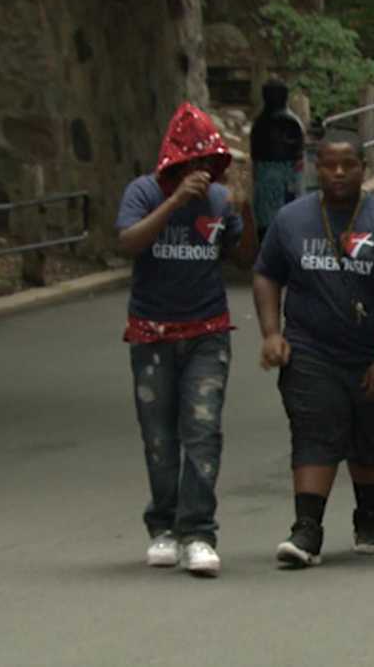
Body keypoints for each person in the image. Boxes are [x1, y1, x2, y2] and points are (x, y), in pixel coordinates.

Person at [253, 130, 374, 568]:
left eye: (349, 164)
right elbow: (266, 274)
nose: (339, 173)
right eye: (329, 164)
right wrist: (272, 332)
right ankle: (306, 528)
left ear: (364, 168)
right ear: (317, 168)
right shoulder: (291, 220)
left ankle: (369, 513)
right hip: (312, 349)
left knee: (370, 440)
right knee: (315, 431)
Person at [116, 101, 255, 577]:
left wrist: (245, 206)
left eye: (206, 165)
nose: (198, 173)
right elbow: (128, 242)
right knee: (159, 436)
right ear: (171, 162)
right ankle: (163, 527)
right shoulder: (143, 191)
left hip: (207, 331)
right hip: (152, 331)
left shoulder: (218, 201)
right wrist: (174, 202)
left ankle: (198, 531)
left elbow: (244, 259)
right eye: (188, 164)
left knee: (203, 431)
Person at [251, 80, 306, 243]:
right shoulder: (292, 122)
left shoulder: (260, 123)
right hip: (281, 178)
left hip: (269, 177)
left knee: (269, 220)